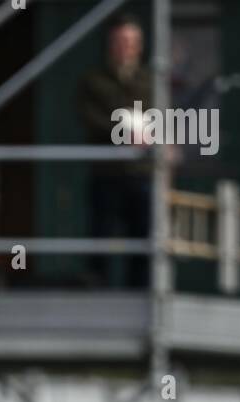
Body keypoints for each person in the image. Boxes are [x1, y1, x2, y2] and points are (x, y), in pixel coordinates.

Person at [78, 13, 153, 288]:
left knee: (143, 235)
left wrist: (157, 137)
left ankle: (141, 291)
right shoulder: (93, 80)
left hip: (142, 172)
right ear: (111, 45)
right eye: (121, 42)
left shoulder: (151, 81)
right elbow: (90, 118)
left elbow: (163, 117)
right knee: (101, 233)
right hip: (106, 171)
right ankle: (97, 290)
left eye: (132, 42)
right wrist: (125, 132)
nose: (127, 48)